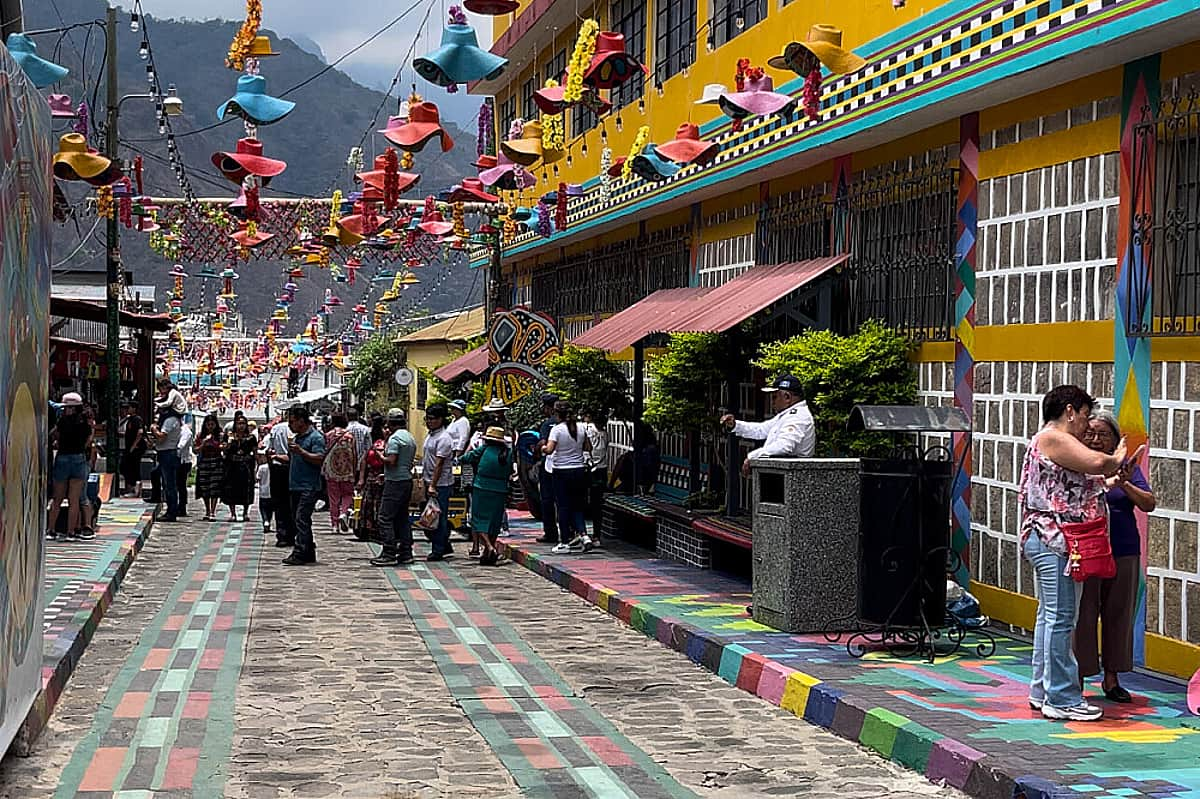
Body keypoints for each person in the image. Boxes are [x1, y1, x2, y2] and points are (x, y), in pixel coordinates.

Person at [1019, 385, 1132, 723]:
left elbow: (1076, 488)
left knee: (1050, 617)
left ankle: (1042, 691)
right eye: (1085, 416)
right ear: (1070, 411)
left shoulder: (1054, 444)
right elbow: (1100, 462)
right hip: (1054, 540)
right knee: (1061, 618)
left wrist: (1112, 480)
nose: (1087, 425)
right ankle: (1062, 698)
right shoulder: (1053, 437)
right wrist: (1119, 453)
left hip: (1054, 540)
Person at [1074, 411, 1156, 704]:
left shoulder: (1126, 467)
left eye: (1103, 435)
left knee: (1118, 613)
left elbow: (1149, 503)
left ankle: (1112, 679)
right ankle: (1078, 678)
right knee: (1082, 615)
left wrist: (1123, 483)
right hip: (1085, 550)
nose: (1096, 440)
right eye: (1090, 434)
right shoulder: (1075, 465)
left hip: (1123, 549)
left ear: (1115, 440)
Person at [721, 374, 816, 476]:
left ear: (787, 397)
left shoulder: (798, 417)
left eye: (774, 397)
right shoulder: (787, 415)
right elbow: (761, 430)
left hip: (793, 477)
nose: (772, 402)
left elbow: (784, 446)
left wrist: (752, 456)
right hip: (784, 475)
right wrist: (735, 425)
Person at [460, 425, 514, 565]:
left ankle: (490, 547)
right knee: (494, 521)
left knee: (478, 519)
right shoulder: (508, 453)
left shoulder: (484, 449)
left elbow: (466, 458)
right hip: (500, 489)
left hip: (482, 487)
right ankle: (489, 551)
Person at [370, 408, 417, 566]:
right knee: (402, 517)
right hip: (405, 480)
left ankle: (389, 551)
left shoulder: (395, 439)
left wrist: (379, 455)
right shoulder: (409, 437)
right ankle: (406, 551)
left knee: (385, 517)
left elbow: (391, 461)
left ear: (390, 423)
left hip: (395, 482)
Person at [544, 401, 593, 554]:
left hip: (561, 472)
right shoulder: (581, 428)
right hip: (578, 470)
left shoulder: (557, 430)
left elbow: (550, 450)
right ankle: (584, 535)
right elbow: (588, 447)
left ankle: (564, 541)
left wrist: (543, 448)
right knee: (577, 505)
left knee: (563, 507)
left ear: (557, 414)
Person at [48, 392, 94, 540]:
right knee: (74, 499)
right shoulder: (85, 423)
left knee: (58, 498)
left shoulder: (62, 422)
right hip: (79, 459)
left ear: (70, 408)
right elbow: (88, 440)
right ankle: (71, 532)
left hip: (63, 458)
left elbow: (54, 436)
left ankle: (51, 530)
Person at [285, 406, 326, 566]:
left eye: (292, 421)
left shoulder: (315, 438)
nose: (290, 425)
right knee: (298, 519)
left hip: (309, 485)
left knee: (302, 517)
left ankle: (301, 551)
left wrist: (302, 452)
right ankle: (308, 549)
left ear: (301, 421)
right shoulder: (297, 438)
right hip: (295, 485)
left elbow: (319, 458)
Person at [421, 403, 456, 561]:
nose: (429, 422)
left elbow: (439, 464)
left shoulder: (444, 438)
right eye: (427, 419)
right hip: (428, 480)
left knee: (437, 517)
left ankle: (439, 548)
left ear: (441, 419)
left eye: (432, 419)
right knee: (428, 516)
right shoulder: (431, 435)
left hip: (441, 483)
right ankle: (443, 542)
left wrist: (433, 485)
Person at [322, 412, 359, 532]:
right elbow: (354, 454)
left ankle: (334, 525)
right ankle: (343, 513)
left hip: (331, 470)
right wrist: (354, 469)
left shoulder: (328, 435)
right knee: (348, 494)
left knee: (333, 498)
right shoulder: (350, 436)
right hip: (346, 470)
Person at [150, 401, 185, 523]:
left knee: (170, 484)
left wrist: (154, 429)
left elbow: (161, 436)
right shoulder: (171, 420)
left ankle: (171, 511)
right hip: (165, 452)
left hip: (168, 454)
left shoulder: (170, 421)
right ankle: (170, 510)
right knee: (166, 483)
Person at [356, 414, 388, 543]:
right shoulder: (373, 440)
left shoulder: (390, 443)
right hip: (372, 476)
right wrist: (362, 478)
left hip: (381, 476)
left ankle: (376, 529)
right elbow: (365, 459)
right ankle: (368, 529)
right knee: (369, 504)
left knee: (377, 504)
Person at [265, 418, 295, 548]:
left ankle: (282, 535)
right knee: (293, 503)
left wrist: (271, 464)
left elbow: (269, 450)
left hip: (278, 468)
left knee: (280, 504)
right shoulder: (296, 430)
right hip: (293, 468)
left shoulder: (276, 429)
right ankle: (294, 534)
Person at [535, 392, 560, 544]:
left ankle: (550, 533)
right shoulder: (569, 424)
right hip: (567, 467)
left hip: (549, 465)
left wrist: (538, 449)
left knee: (547, 500)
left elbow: (543, 444)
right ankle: (569, 531)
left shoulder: (548, 425)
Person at [222, 415, 257, 521]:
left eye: (243, 423)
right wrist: (228, 443)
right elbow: (224, 451)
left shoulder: (251, 438)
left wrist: (256, 467)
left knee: (246, 488)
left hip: (245, 465)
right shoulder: (229, 436)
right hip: (232, 465)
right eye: (238, 423)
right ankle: (233, 513)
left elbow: (255, 452)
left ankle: (245, 512)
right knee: (231, 488)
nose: (241, 426)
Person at [194, 414, 226, 521]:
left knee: (214, 487)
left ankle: (213, 511)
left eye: (212, 424)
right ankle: (207, 510)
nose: (210, 426)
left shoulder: (220, 435)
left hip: (216, 462)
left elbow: (223, 448)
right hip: (204, 462)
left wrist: (216, 444)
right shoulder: (200, 436)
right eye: (208, 424)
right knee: (205, 487)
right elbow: (195, 450)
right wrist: (203, 443)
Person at [583, 412, 609, 529]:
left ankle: (594, 532)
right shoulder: (589, 430)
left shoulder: (602, 433)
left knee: (596, 502)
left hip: (598, 468)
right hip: (591, 467)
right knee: (590, 500)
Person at [118, 400, 146, 498]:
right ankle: (130, 488)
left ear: (134, 408)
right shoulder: (129, 419)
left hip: (135, 448)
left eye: (129, 407)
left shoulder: (137, 419)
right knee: (126, 468)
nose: (127, 410)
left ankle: (136, 490)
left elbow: (140, 432)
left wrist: (133, 446)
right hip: (129, 447)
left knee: (134, 468)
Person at [177, 413, 195, 517]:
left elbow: (181, 446)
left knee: (181, 485)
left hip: (184, 461)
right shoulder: (176, 430)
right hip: (176, 460)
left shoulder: (186, 432)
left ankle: (182, 507)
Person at [256, 450, 273, 533]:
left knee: (263, 508)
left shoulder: (262, 467)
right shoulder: (274, 467)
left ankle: (265, 520)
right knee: (270, 509)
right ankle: (268, 521)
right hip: (272, 492)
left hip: (263, 492)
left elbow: (257, 478)